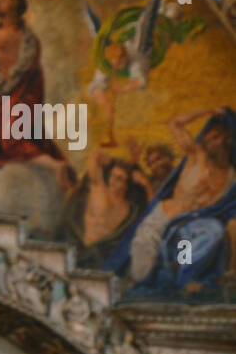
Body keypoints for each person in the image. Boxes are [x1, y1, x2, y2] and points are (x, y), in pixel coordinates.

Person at [106, 107, 236, 296]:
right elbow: (174, 124)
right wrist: (206, 111)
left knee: (212, 233)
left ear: (229, 140)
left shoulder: (231, 178)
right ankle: (164, 281)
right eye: (211, 135)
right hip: (163, 219)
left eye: (217, 137)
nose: (211, 140)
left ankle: (183, 279)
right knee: (140, 274)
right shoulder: (197, 155)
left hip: (190, 228)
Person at [0, 0, 70, 183]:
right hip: (17, 91)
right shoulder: (21, 33)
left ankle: (56, 167)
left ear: (11, 9)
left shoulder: (2, 35)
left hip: (18, 93)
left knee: (12, 140)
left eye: (3, 1)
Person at [58, 149, 148, 269]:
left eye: (119, 178)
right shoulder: (98, 189)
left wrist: (145, 183)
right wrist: (110, 160)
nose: (114, 181)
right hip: (79, 249)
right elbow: (94, 156)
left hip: (102, 258)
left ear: (126, 184)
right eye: (113, 176)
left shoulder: (129, 209)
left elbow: (154, 209)